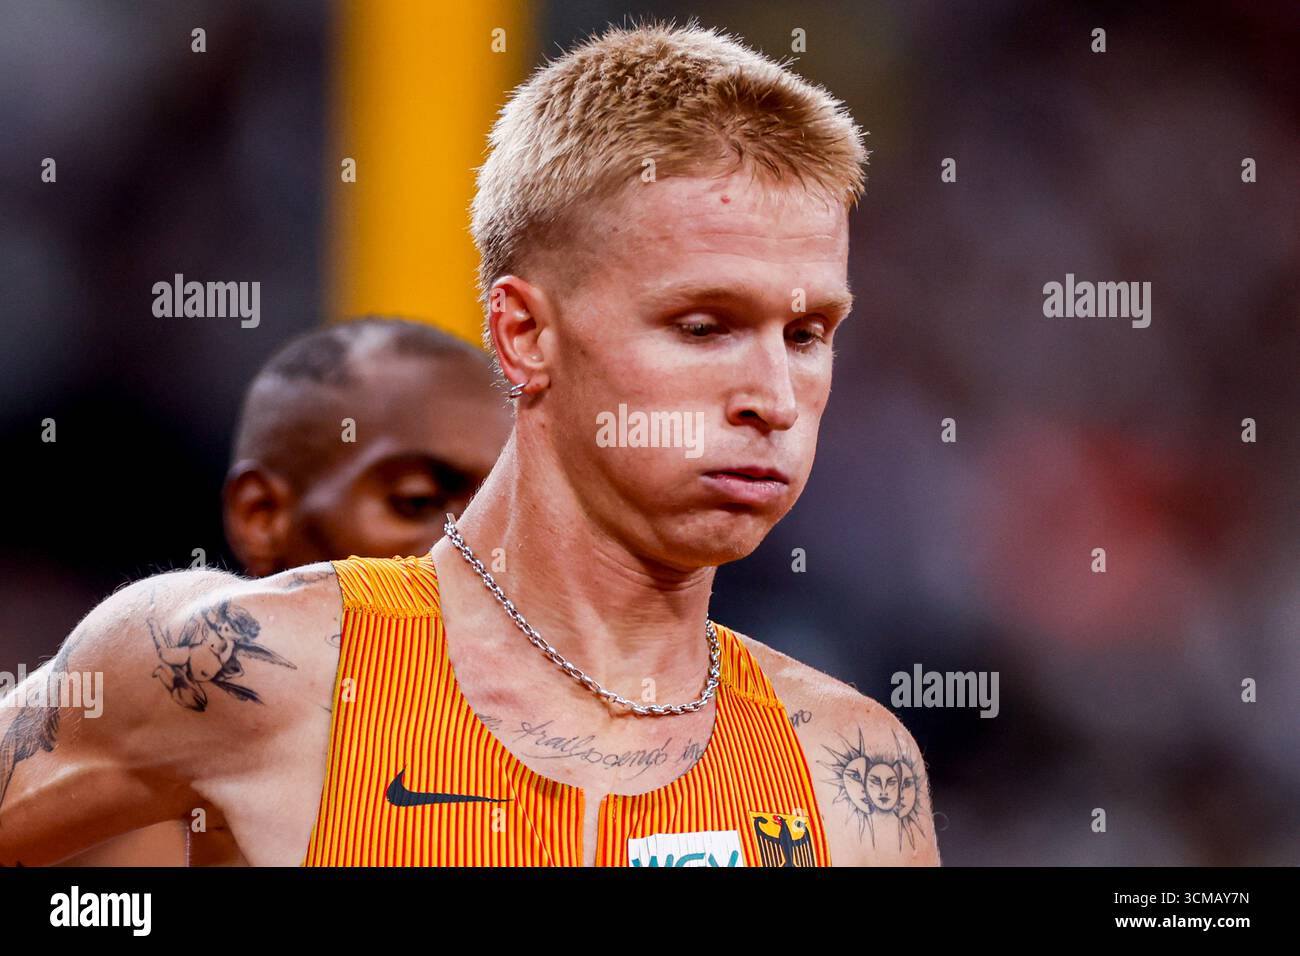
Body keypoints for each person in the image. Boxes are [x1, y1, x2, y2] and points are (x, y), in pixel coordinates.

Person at [0, 21, 938, 867]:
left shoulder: (850, 778)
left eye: (808, 334)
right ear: (525, 335)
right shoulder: (244, 672)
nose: (774, 398)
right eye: (703, 326)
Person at [55, 316, 513, 865]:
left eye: (507, 511)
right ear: (262, 515)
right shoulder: (131, 841)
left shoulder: (588, 759)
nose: (475, 549)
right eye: (415, 502)